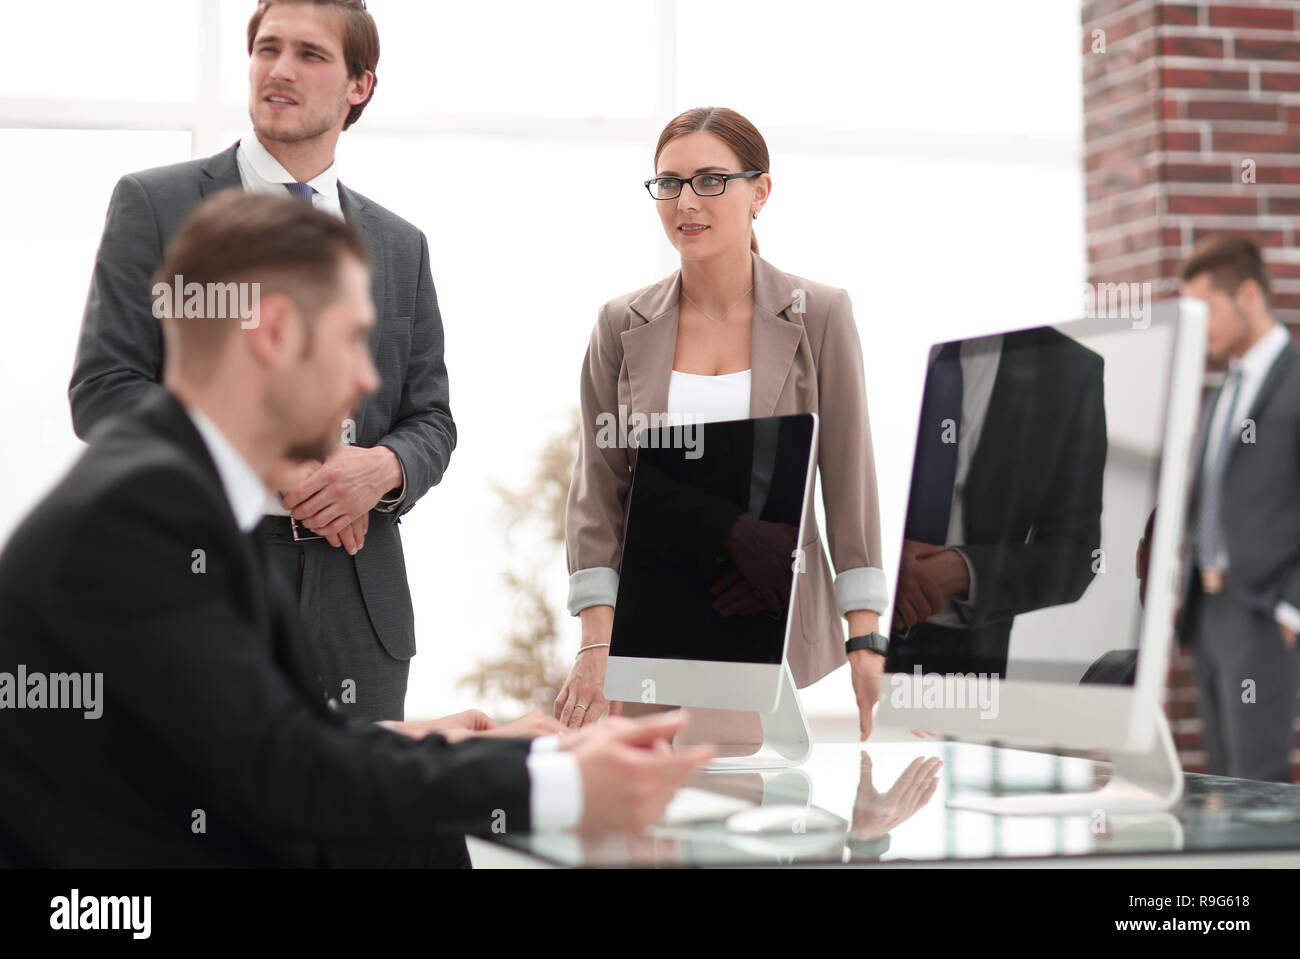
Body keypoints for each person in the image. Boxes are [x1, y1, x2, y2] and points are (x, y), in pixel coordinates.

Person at [0, 192, 712, 867]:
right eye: (351, 340)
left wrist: (485, 748)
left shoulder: (183, 487)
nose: (369, 380)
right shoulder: (149, 512)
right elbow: (282, 775)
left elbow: (262, 738)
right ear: (275, 332)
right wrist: (557, 787)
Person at [69, 0, 438, 722]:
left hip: (360, 600)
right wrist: (271, 461)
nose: (280, 70)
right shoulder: (156, 204)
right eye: (268, 49)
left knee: (354, 821)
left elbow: (431, 418)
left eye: (310, 55)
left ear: (359, 85)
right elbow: (105, 389)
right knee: (203, 821)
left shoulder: (400, 244)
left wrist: (382, 470)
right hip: (203, 570)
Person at [558, 107, 889, 740]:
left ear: (760, 191)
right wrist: (594, 643)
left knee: (762, 811)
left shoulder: (819, 314)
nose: (687, 201)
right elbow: (598, 495)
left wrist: (865, 643)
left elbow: (851, 485)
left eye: (711, 180)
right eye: (670, 182)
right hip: (650, 632)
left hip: (772, 624)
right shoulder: (619, 325)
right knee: (651, 826)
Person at [886, 328, 1108, 678]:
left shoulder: (1068, 369)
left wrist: (961, 571)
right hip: (842, 628)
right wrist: (878, 561)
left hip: (961, 662)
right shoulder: (869, 331)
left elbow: (1077, 555)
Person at [1178, 235, 1300, 783]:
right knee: (1224, 782)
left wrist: (1291, 607)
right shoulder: (1223, 389)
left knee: (1258, 786)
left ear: (1248, 295)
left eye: (1206, 309)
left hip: (1263, 611)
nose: (1198, 326)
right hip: (1208, 613)